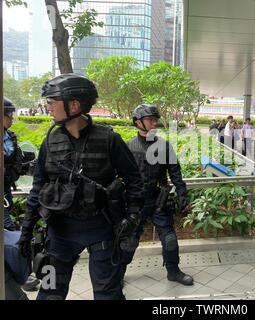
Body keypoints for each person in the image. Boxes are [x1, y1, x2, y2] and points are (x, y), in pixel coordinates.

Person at [17, 73, 144, 300]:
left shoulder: (109, 140)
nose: (48, 107)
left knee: (109, 294)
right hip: (59, 234)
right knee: (49, 292)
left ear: (74, 104)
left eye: (52, 101)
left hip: (102, 231)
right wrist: (26, 232)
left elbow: (134, 180)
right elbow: (38, 188)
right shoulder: (49, 142)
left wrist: (133, 218)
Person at [126, 104, 194, 286]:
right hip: (136, 202)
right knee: (129, 240)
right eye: (150, 120)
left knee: (170, 238)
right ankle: (117, 274)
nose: (154, 123)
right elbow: (119, 175)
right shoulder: (128, 147)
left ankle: (174, 272)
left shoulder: (164, 146)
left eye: (155, 120)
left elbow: (175, 173)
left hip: (159, 200)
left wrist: (182, 195)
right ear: (138, 122)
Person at [3, 97, 22, 232]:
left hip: (7, 185)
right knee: (8, 227)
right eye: (9, 114)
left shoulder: (9, 136)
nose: (12, 118)